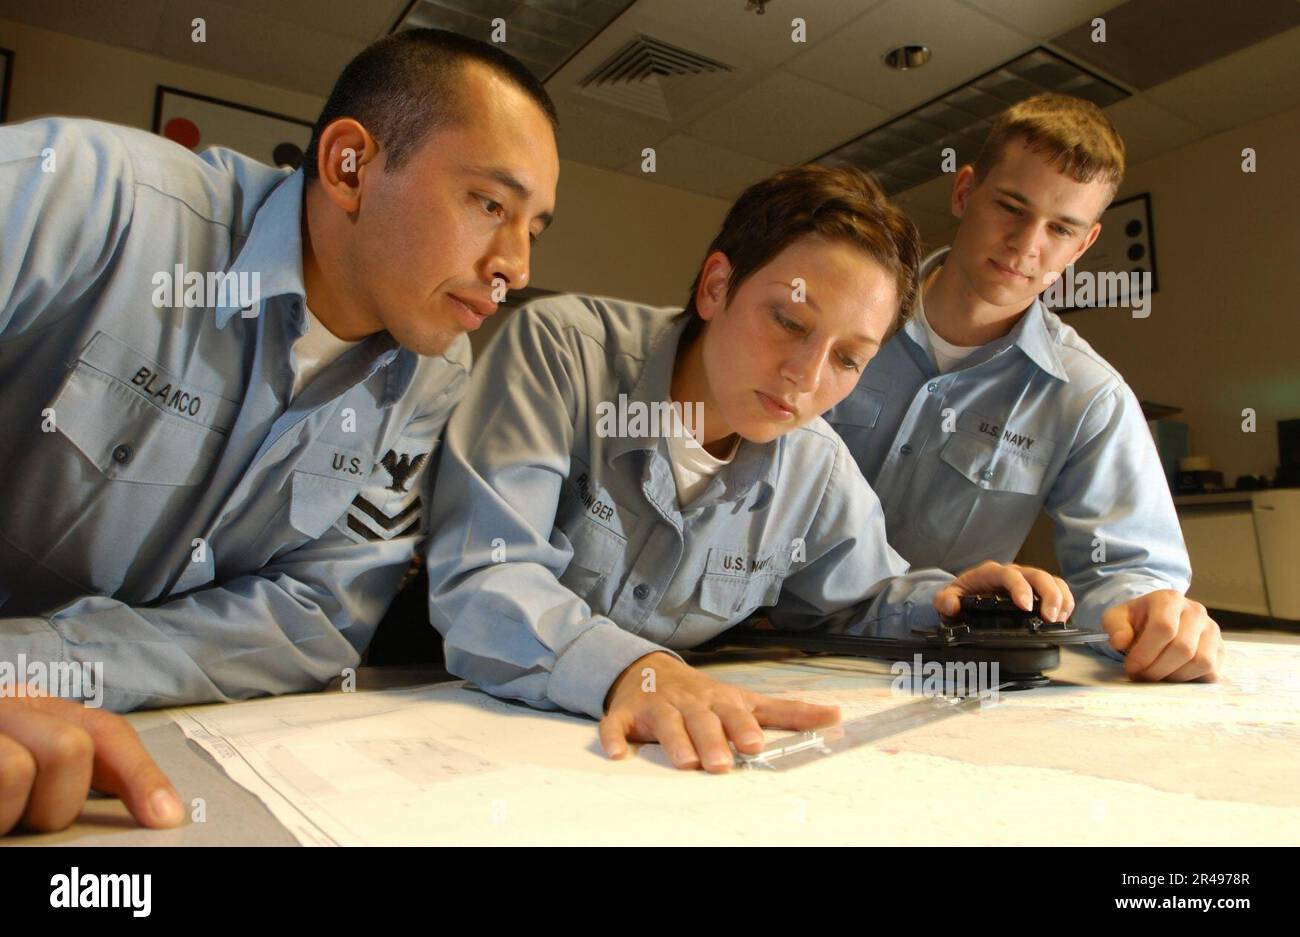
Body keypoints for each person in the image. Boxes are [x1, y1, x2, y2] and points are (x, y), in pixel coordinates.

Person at [0, 29, 558, 833]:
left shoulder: (433, 372)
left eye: (534, 227)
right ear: (349, 167)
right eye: (490, 204)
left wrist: (36, 670)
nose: (517, 264)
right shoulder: (88, 196)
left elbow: (311, 617)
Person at [425, 164, 1074, 774]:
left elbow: (864, 599)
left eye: (849, 359)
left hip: (658, 770)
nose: (806, 377)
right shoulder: (563, 352)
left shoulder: (815, 466)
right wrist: (639, 671)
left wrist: (962, 604)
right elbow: (486, 573)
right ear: (716, 286)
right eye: (790, 321)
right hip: (468, 731)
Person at [823, 93, 1221, 684]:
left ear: (1084, 245)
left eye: (1060, 228)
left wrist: (1147, 614)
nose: (1027, 245)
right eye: (1011, 207)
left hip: (925, 667)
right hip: (746, 633)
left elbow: (1127, 570)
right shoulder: (834, 312)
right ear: (964, 193)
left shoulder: (1087, 396)